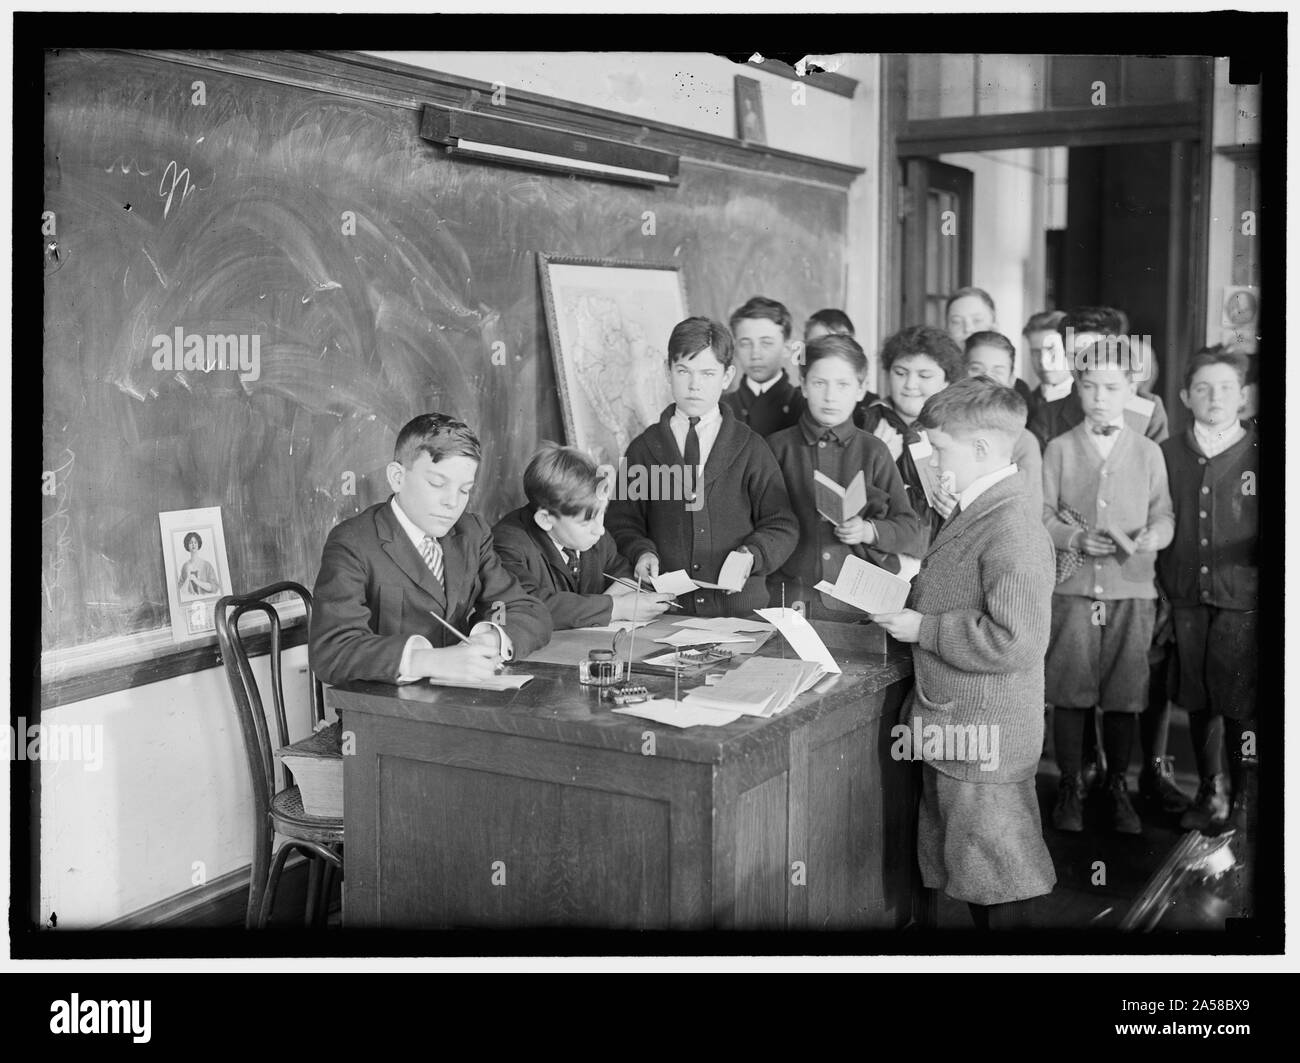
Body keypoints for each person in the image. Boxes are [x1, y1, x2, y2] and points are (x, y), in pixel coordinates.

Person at [873, 377, 1057, 930]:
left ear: (981, 449)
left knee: (1001, 886)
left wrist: (923, 627)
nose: (930, 460)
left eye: (940, 448)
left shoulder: (1013, 525)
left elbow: (1016, 640)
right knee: (980, 876)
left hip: (985, 737)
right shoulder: (978, 507)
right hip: (961, 727)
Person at [309, 413, 552, 687]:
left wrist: (492, 637)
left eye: (465, 490)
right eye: (437, 484)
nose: (452, 502)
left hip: (462, 701)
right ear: (398, 477)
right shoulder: (354, 542)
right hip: (386, 711)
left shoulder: (471, 533)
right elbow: (332, 652)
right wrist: (429, 660)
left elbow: (527, 610)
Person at [1042, 338, 1175, 835]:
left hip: (1131, 591)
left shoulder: (1147, 452)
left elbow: (1163, 513)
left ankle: (1118, 784)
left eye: (1112, 387)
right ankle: (1072, 785)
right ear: (1077, 387)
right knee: (1071, 688)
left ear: (1132, 389)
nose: (1100, 396)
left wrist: (1155, 535)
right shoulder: (1058, 448)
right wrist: (1074, 536)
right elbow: (1041, 514)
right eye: (1090, 385)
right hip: (1074, 591)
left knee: (1124, 692)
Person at [605, 316, 798, 618]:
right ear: (667, 370)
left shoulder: (750, 448)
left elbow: (782, 525)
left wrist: (753, 554)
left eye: (708, 373)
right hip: (667, 615)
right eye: (683, 371)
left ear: (727, 376)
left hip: (742, 616)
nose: (694, 386)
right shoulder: (644, 450)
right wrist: (640, 551)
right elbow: (621, 523)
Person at [1159, 348, 1258, 833]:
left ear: (1243, 395)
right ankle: (1209, 787)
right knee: (1198, 700)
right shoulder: (1169, 453)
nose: (1214, 397)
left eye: (1225, 388)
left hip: (1243, 603)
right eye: (1202, 388)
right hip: (1186, 599)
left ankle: (1243, 798)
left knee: (1239, 705)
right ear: (1184, 396)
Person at [766, 334, 925, 618]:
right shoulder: (776, 448)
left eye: (843, 385)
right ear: (802, 385)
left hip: (858, 605)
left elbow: (909, 529)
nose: (830, 396)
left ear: (861, 389)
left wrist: (868, 530)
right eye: (819, 383)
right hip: (789, 598)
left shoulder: (873, 450)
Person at [492, 444, 675, 629]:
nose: (600, 530)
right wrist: (616, 608)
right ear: (546, 519)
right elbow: (525, 606)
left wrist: (633, 583)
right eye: (586, 521)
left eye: (601, 513)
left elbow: (621, 572)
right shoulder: (508, 543)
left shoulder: (594, 536)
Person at [856, 325, 964, 542]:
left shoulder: (961, 432)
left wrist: (963, 509)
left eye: (924, 375)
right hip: (876, 548)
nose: (910, 385)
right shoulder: (863, 421)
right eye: (900, 373)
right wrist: (877, 460)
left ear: (947, 381)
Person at [963, 331, 1044, 516]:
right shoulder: (942, 428)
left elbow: (1030, 512)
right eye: (976, 368)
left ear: (1011, 380)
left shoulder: (1023, 441)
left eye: (998, 371)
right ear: (961, 373)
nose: (987, 379)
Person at [721, 295, 803, 437]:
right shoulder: (720, 407)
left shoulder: (803, 405)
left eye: (766, 343)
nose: (755, 354)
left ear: (787, 348)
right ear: (735, 348)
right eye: (745, 343)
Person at [946, 286, 1034, 409]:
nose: (968, 328)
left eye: (977, 320)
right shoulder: (937, 379)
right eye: (956, 321)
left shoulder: (1015, 389)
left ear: (994, 327)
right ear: (947, 329)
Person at [1021, 309, 1070, 442]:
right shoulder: (1023, 404)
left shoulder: (1091, 401)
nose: (1043, 361)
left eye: (1051, 350)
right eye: (1036, 352)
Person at [178, 532, 219, 600]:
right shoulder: (185, 566)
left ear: (198, 544)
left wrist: (196, 581)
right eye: (191, 543)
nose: (193, 544)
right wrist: (188, 578)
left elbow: (215, 588)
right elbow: (180, 590)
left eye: (195, 542)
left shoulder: (207, 565)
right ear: (187, 545)